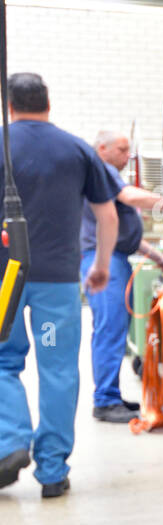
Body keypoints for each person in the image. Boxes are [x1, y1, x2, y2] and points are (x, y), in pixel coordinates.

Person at [0, 73, 118, 499]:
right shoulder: (77, 149)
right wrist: (101, 265)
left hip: (5, 283)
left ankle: (10, 443)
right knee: (57, 369)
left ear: (9, 104)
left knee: (1, 362)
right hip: (57, 284)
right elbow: (108, 216)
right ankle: (52, 471)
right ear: (48, 103)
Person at [78, 131, 163, 423]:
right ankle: (104, 401)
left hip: (115, 257)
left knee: (115, 327)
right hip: (104, 260)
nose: (127, 155)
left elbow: (120, 230)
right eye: (122, 149)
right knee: (109, 327)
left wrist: (156, 256)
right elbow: (130, 197)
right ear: (102, 148)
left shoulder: (106, 175)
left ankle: (110, 395)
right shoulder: (101, 169)